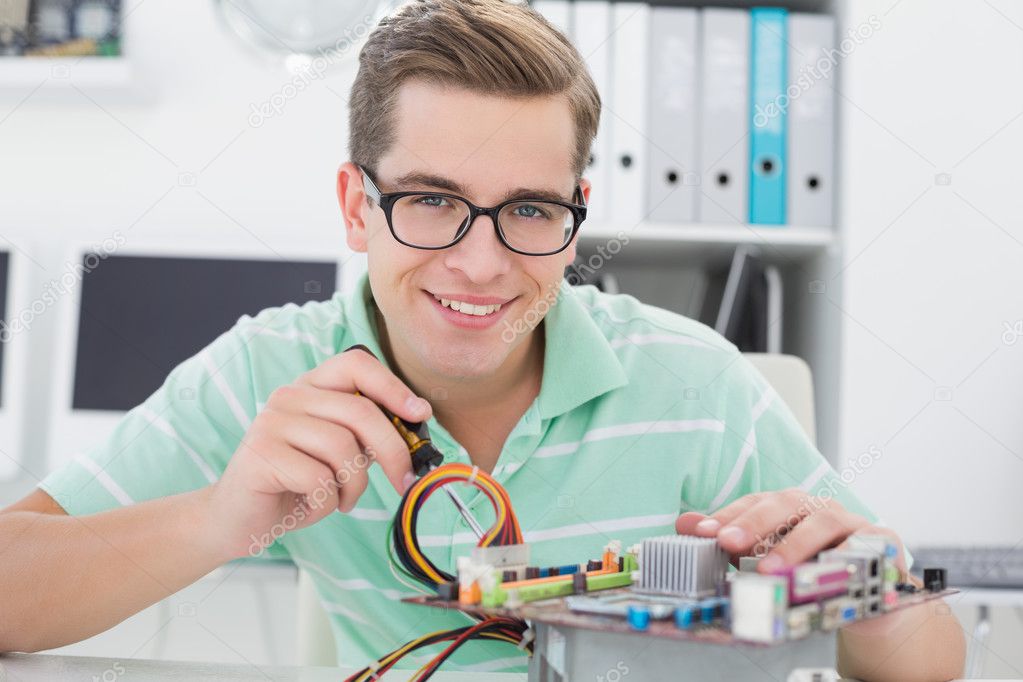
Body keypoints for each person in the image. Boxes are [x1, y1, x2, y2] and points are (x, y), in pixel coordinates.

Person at [0, 0, 964, 678]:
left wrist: (874, 593)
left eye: (530, 211)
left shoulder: (694, 383)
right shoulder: (272, 373)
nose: (480, 264)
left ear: (575, 219)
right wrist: (221, 518)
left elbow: (933, 661)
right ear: (355, 205)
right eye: (431, 202)